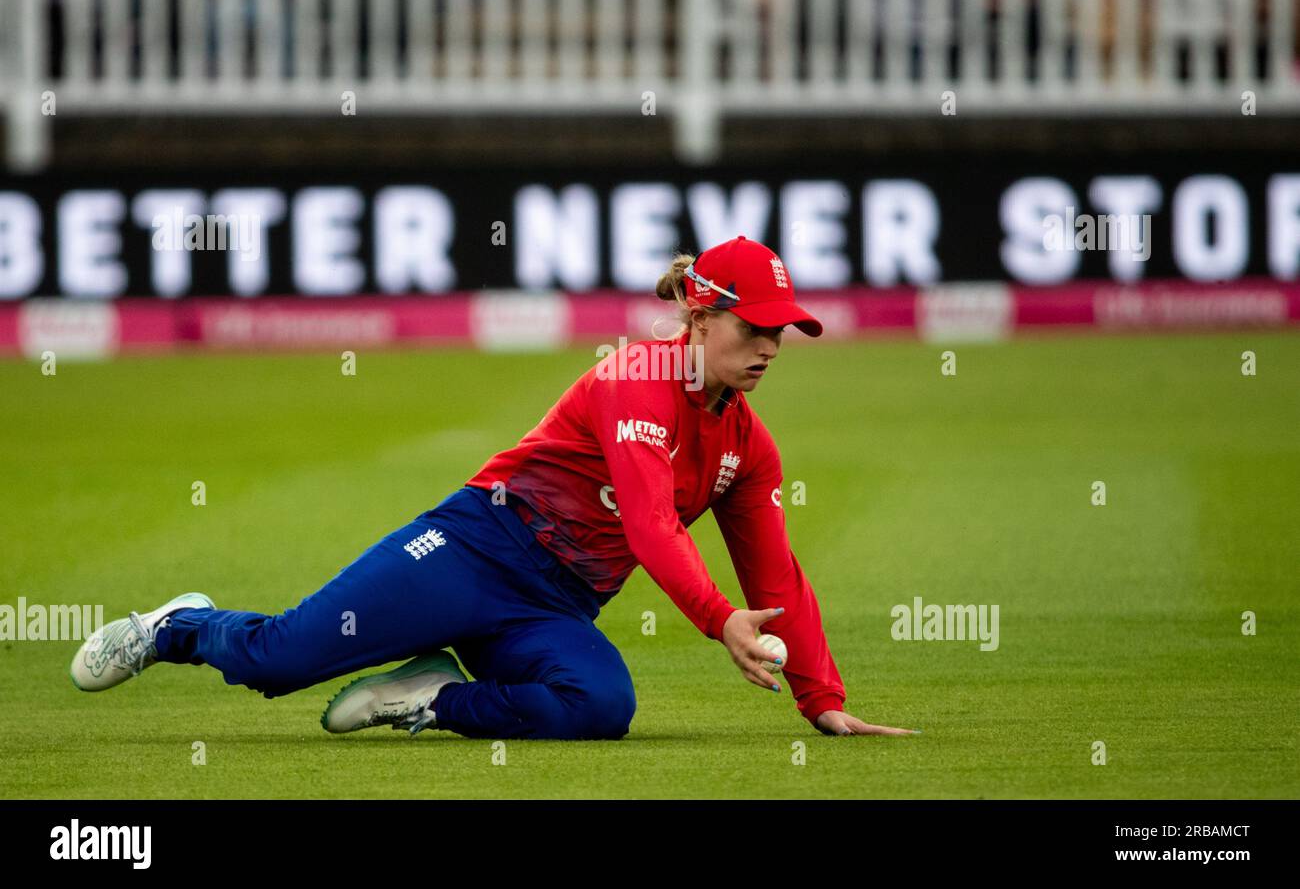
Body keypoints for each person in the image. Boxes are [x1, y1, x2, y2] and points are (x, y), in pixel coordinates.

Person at [70, 236, 917, 740]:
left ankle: (437, 696)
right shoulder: (637, 377)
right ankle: (178, 627)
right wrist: (716, 619)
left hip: (550, 611)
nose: (771, 346)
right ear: (699, 318)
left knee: (600, 705)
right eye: (754, 327)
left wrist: (823, 700)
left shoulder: (746, 445)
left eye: (784, 332)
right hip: (470, 550)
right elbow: (654, 526)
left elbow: (777, 577)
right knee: (279, 660)